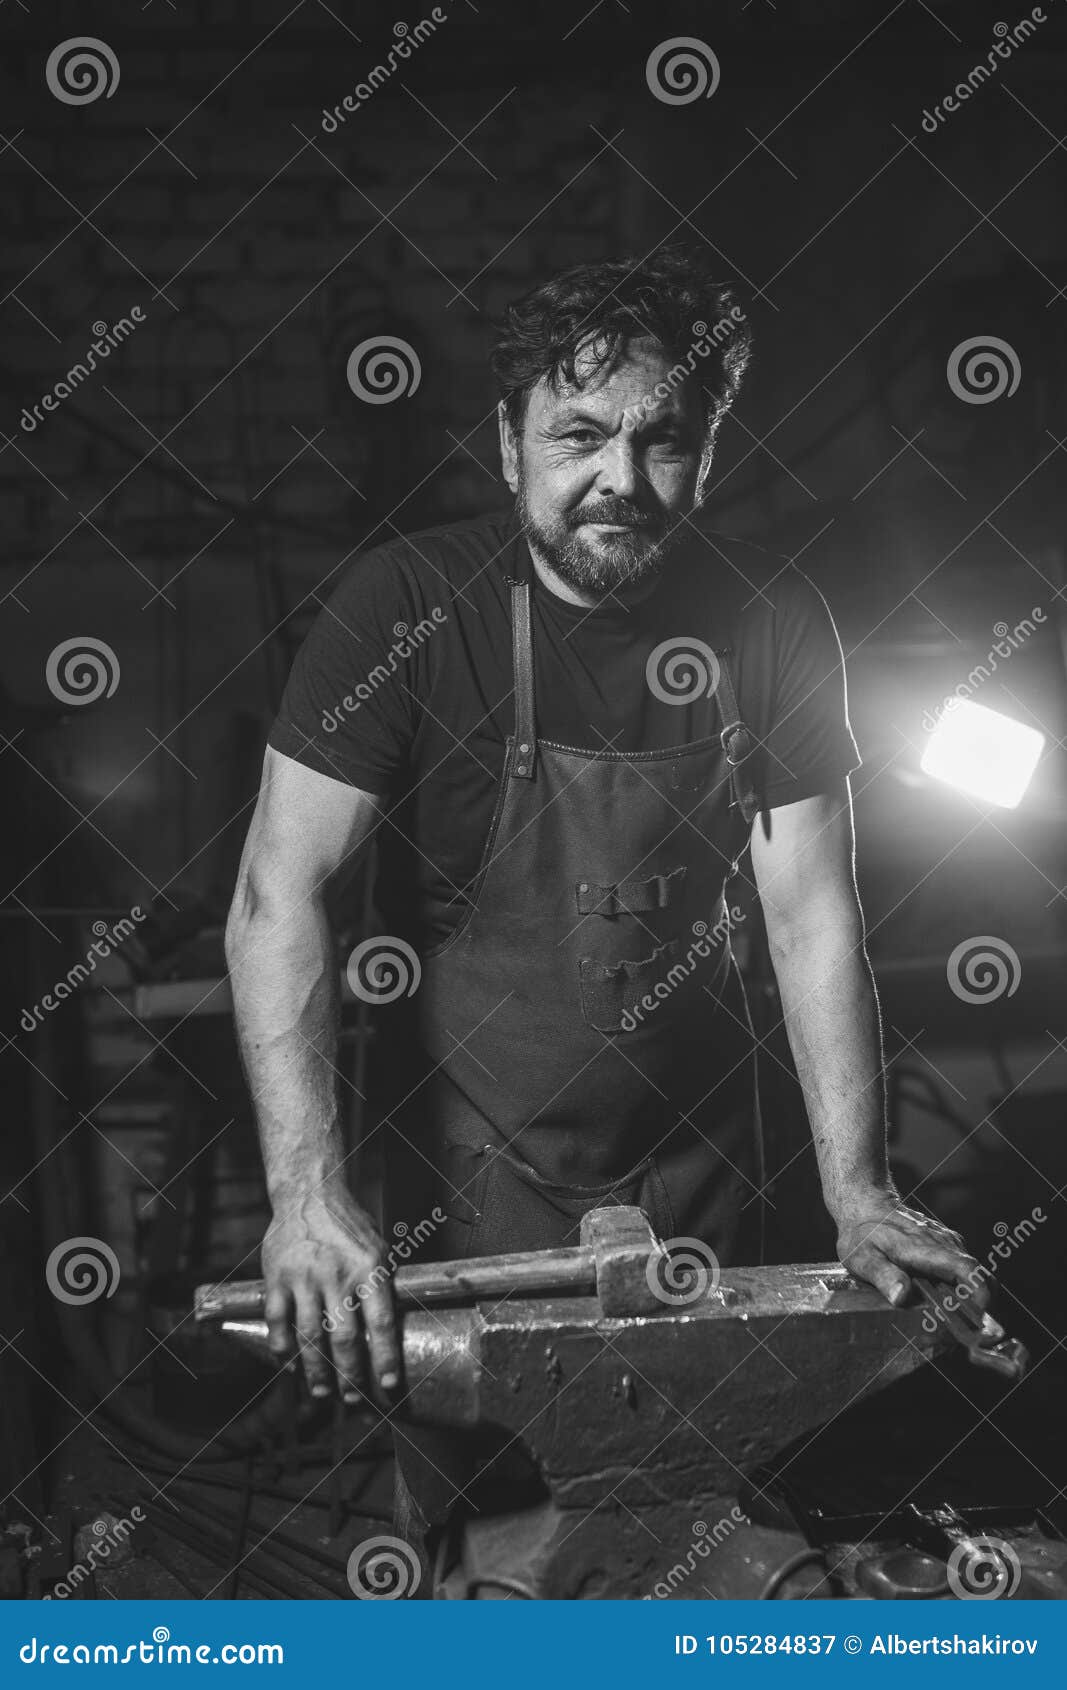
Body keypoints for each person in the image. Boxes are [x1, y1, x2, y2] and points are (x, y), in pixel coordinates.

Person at [225, 245, 991, 1566]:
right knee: (500, 1565)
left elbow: (812, 912)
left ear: (713, 448)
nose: (620, 482)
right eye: (579, 434)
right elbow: (274, 890)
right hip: (471, 1199)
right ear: (506, 441)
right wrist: (308, 1194)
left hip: (698, 1174)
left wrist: (857, 1189)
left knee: (701, 1548)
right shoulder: (407, 612)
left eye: (664, 441)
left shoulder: (771, 619)